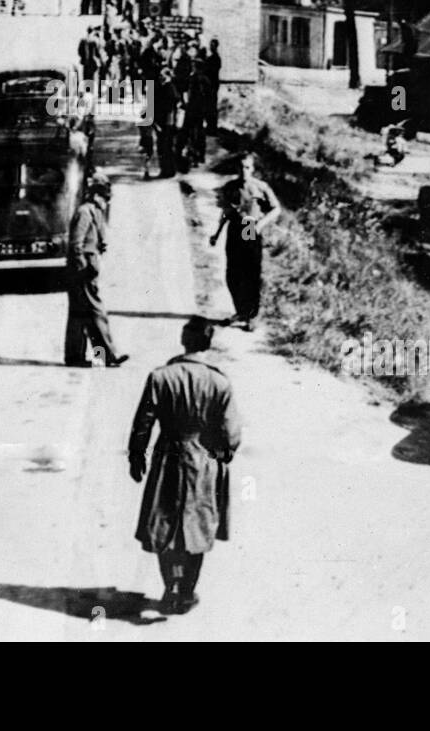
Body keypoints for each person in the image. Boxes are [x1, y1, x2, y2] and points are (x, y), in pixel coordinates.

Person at [128, 316, 241, 615]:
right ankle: (187, 590)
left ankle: (172, 586)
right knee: (196, 527)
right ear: (209, 342)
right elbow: (231, 435)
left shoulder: (161, 377)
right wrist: (222, 454)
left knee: (166, 523)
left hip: (168, 457)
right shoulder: (220, 381)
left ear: (183, 339)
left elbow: (144, 422)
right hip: (203, 461)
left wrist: (136, 455)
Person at [64, 174, 128, 368]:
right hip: (82, 269)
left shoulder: (95, 212)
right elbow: (76, 242)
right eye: (103, 196)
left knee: (80, 315)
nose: (105, 201)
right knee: (95, 312)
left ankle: (78, 357)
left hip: (86, 267)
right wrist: (83, 266)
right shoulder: (85, 212)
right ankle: (106, 356)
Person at [212, 153, 281, 331]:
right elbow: (226, 212)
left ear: (253, 169)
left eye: (247, 167)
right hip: (235, 228)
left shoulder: (260, 187)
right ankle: (240, 311)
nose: (244, 171)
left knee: (249, 273)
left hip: (250, 226)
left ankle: (252, 316)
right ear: (236, 169)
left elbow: (276, 208)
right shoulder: (230, 187)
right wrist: (216, 234)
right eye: (241, 167)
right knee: (233, 274)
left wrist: (261, 224)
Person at [204, 39, 223, 135]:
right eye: (210, 45)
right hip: (210, 84)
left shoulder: (216, 58)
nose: (211, 47)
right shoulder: (212, 57)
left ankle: (212, 127)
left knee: (211, 106)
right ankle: (210, 126)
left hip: (212, 84)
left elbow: (212, 70)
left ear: (216, 46)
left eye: (213, 45)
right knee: (209, 106)